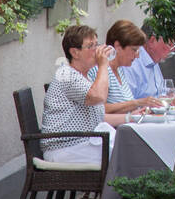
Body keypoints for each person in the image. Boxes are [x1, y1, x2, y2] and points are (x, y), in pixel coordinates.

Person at [41, 25, 118, 165]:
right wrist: (103, 65)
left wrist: (132, 118)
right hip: (64, 149)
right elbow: (99, 97)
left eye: (97, 44)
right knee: (124, 155)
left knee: (128, 147)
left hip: (81, 144)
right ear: (75, 53)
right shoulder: (67, 75)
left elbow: (99, 117)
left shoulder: (83, 76)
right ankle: (119, 187)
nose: (97, 50)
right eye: (91, 46)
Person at [86, 20, 164, 119]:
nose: (137, 55)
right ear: (118, 46)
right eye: (134, 50)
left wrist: (141, 109)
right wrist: (138, 103)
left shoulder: (119, 70)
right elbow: (98, 109)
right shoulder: (100, 69)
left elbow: (126, 108)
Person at [127, 20, 175, 99]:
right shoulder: (132, 63)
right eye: (169, 44)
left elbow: (158, 92)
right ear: (152, 41)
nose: (172, 50)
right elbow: (127, 103)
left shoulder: (153, 59)